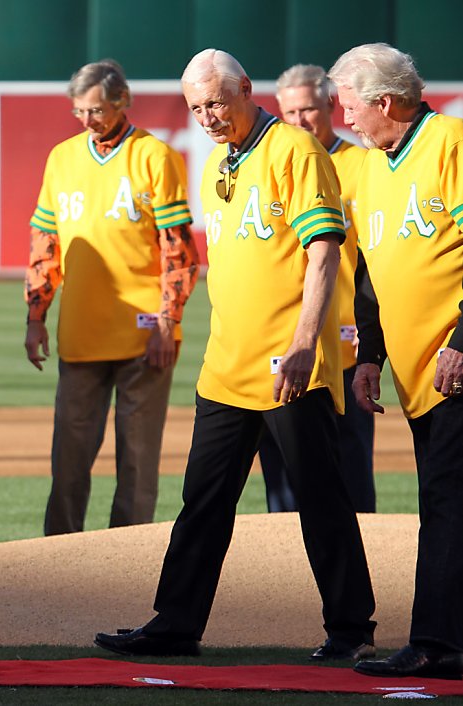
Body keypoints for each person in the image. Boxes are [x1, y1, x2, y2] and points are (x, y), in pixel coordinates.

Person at [93, 48, 376, 661]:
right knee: (204, 500)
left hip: (288, 363)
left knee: (320, 495)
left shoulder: (296, 151)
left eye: (216, 101)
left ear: (247, 88)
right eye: (196, 107)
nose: (208, 116)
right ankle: (174, 625)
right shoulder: (219, 160)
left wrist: (305, 342)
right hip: (226, 364)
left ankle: (351, 628)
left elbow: (324, 252)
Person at [327, 43, 463, 680]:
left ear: (385, 101)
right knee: (444, 502)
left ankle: (436, 642)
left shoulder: (450, 143)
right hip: (417, 374)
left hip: (455, 363)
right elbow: (374, 277)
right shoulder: (375, 167)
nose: (345, 119)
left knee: (445, 504)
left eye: (351, 107)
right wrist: (370, 356)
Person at [24, 59, 198, 536]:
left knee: (138, 463)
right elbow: (46, 244)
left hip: (145, 336)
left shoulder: (154, 156)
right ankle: (56, 557)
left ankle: (130, 560)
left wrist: (168, 322)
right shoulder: (62, 157)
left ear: (123, 102)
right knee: (68, 461)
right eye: (79, 111)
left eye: (96, 110)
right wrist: (35, 315)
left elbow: (178, 250)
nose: (86, 120)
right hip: (81, 332)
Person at [256, 64, 375, 513]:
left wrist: (372, 331)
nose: (299, 120)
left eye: (307, 108)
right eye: (289, 112)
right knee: (284, 481)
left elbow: (375, 256)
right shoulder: (274, 165)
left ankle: (364, 569)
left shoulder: (362, 164)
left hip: (346, 341)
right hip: (287, 342)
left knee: (351, 472)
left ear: (330, 104)